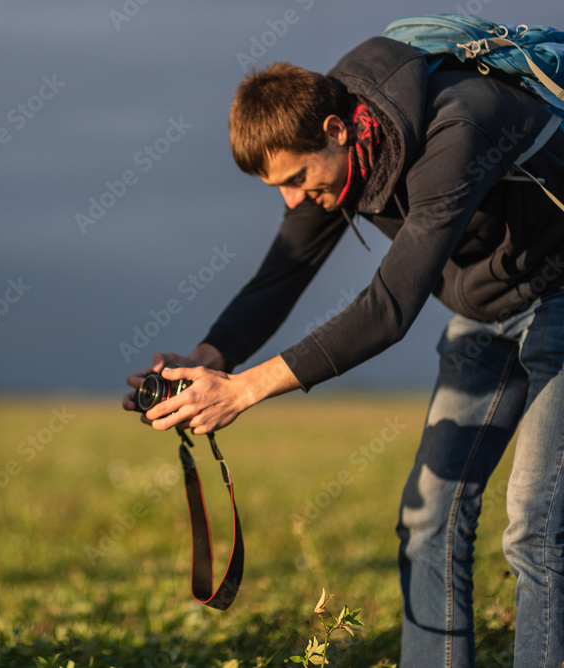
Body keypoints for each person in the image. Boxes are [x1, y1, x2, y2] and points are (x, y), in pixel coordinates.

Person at [123, 35, 564, 667]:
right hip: (482, 313)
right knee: (427, 526)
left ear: (337, 130)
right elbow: (282, 275)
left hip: (561, 297)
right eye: (278, 187)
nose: (293, 200)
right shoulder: (333, 144)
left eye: (297, 179)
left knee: (535, 528)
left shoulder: (458, 127)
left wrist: (246, 390)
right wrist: (207, 359)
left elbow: (389, 309)